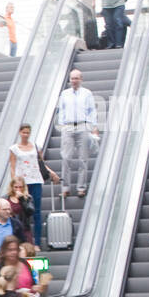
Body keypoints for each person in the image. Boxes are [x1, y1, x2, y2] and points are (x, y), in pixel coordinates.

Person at [8, 123, 58, 236]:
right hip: (22, 183)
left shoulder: (36, 147)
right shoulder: (14, 149)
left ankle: (37, 241)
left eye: (28, 132)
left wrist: (51, 172)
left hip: (35, 180)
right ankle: (25, 239)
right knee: (22, 211)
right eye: (24, 132)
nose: (26, 135)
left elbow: (41, 163)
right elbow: (12, 166)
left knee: (37, 211)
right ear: (20, 133)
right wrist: (14, 184)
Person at [56, 68, 99, 199]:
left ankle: (81, 187)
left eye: (76, 78)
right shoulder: (65, 94)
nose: (74, 81)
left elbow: (92, 110)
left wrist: (93, 126)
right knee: (66, 158)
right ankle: (65, 188)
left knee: (83, 159)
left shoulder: (87, 93)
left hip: (82, 126)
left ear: (81, 79)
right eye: (72, 78)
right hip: (68, 127)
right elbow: (61, 110)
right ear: (70, 80)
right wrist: (62, 125)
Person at [7, 176, 36, 244]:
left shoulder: (28, 198)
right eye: (16, 187)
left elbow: (30, 211)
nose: (18, 189)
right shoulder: (6, 198)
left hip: (24, 229)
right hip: (11, 229)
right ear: (12, 187)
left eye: (20, 187)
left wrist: (22, 199)